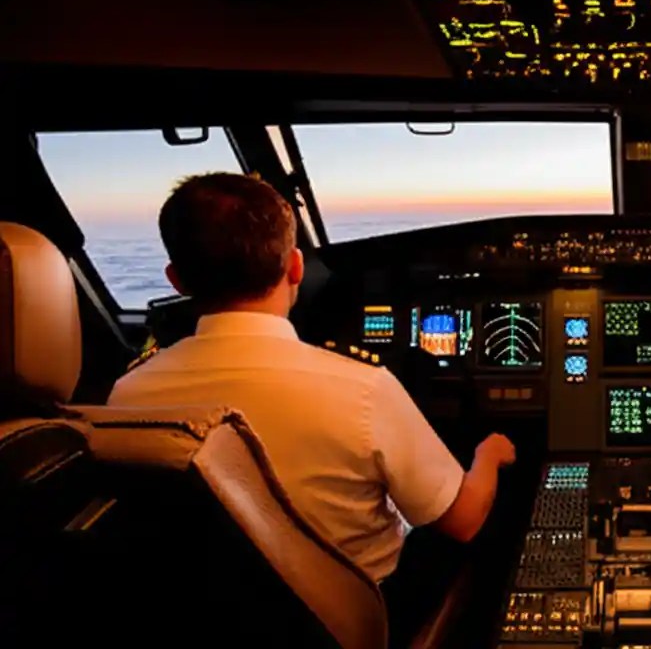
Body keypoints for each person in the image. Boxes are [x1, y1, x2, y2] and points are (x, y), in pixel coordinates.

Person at [109, 173, 515, 584]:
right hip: (356, 617)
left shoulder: (127, 397)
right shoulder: (363, 388)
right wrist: (490, 453)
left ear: (175, 279)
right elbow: (463, 521)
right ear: (297, 266)